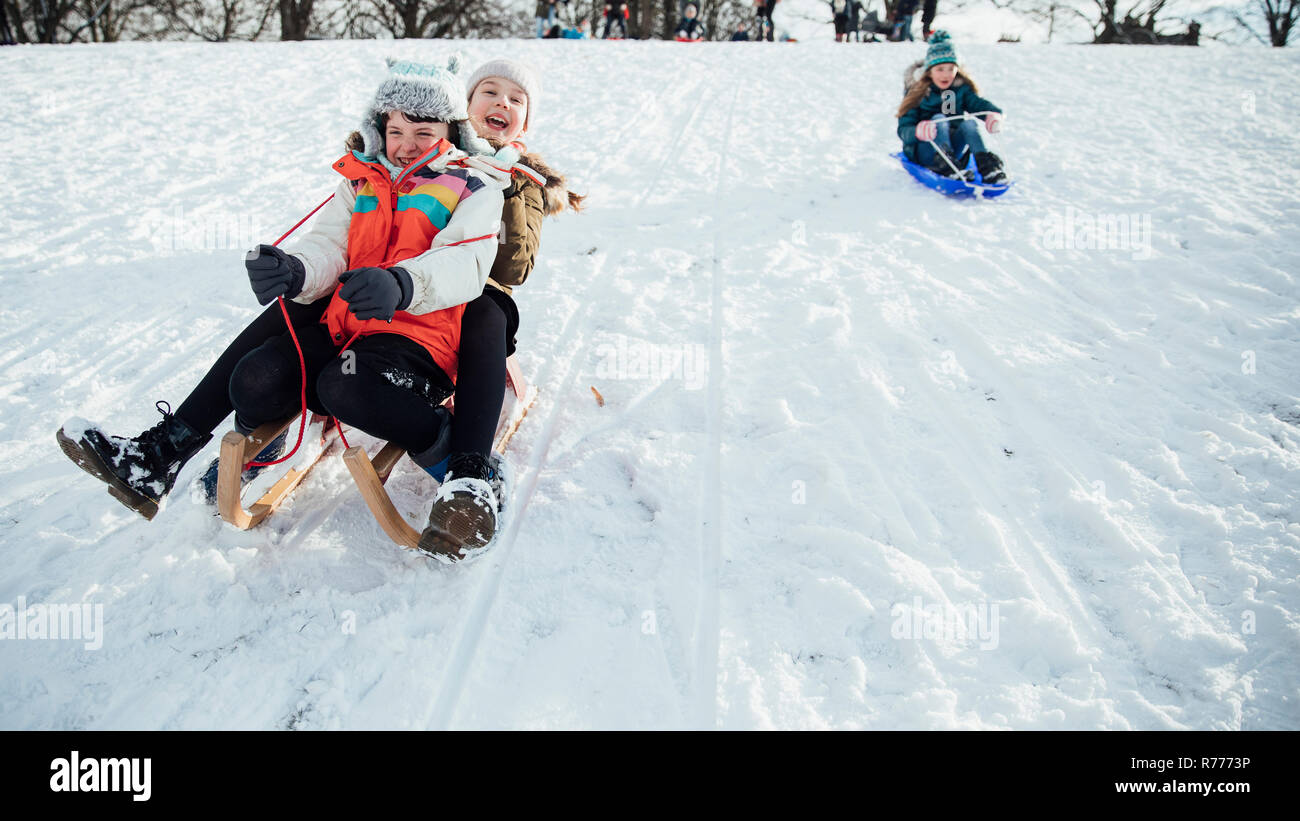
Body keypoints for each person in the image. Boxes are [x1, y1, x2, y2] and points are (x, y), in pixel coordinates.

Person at [56, 58, 513, 521]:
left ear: (451, 131)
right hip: (346, 332)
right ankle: (163, 465)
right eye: (396, 132)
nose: (406, 147)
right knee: (255, 377)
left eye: (423, 132)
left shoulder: (473, 185)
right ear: (379, 129)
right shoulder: (362, 182)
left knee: (345, 384)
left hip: (420, 341)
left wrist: (401, 283)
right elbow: (328, 247)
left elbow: (465, 260)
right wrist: (295, 270)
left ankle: (457, 463)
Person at [420, 60, 584, 555]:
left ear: (524, 123)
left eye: (516, 100)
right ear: (464, 107)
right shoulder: (437, 152)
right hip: (417, 282)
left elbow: (515, 267)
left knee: (485, 316)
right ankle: (270, 427)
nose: (501, 103)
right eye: (489, 92)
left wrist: (509, 182)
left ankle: (471, 470)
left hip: (480, 293)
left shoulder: (525, 180)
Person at [896, 31, 1006, 183]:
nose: (946, 75)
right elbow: (903, 129)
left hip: (955, 151)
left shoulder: (961, 89)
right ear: (929, 71)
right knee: (939, 119)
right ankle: (945, 165)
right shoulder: (918, 92)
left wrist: (992, 114)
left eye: (951, 68)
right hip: (926, 150)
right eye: (940, 69)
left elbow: (978, 104)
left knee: (969, 123)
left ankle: (986, 166)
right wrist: (917, 132)